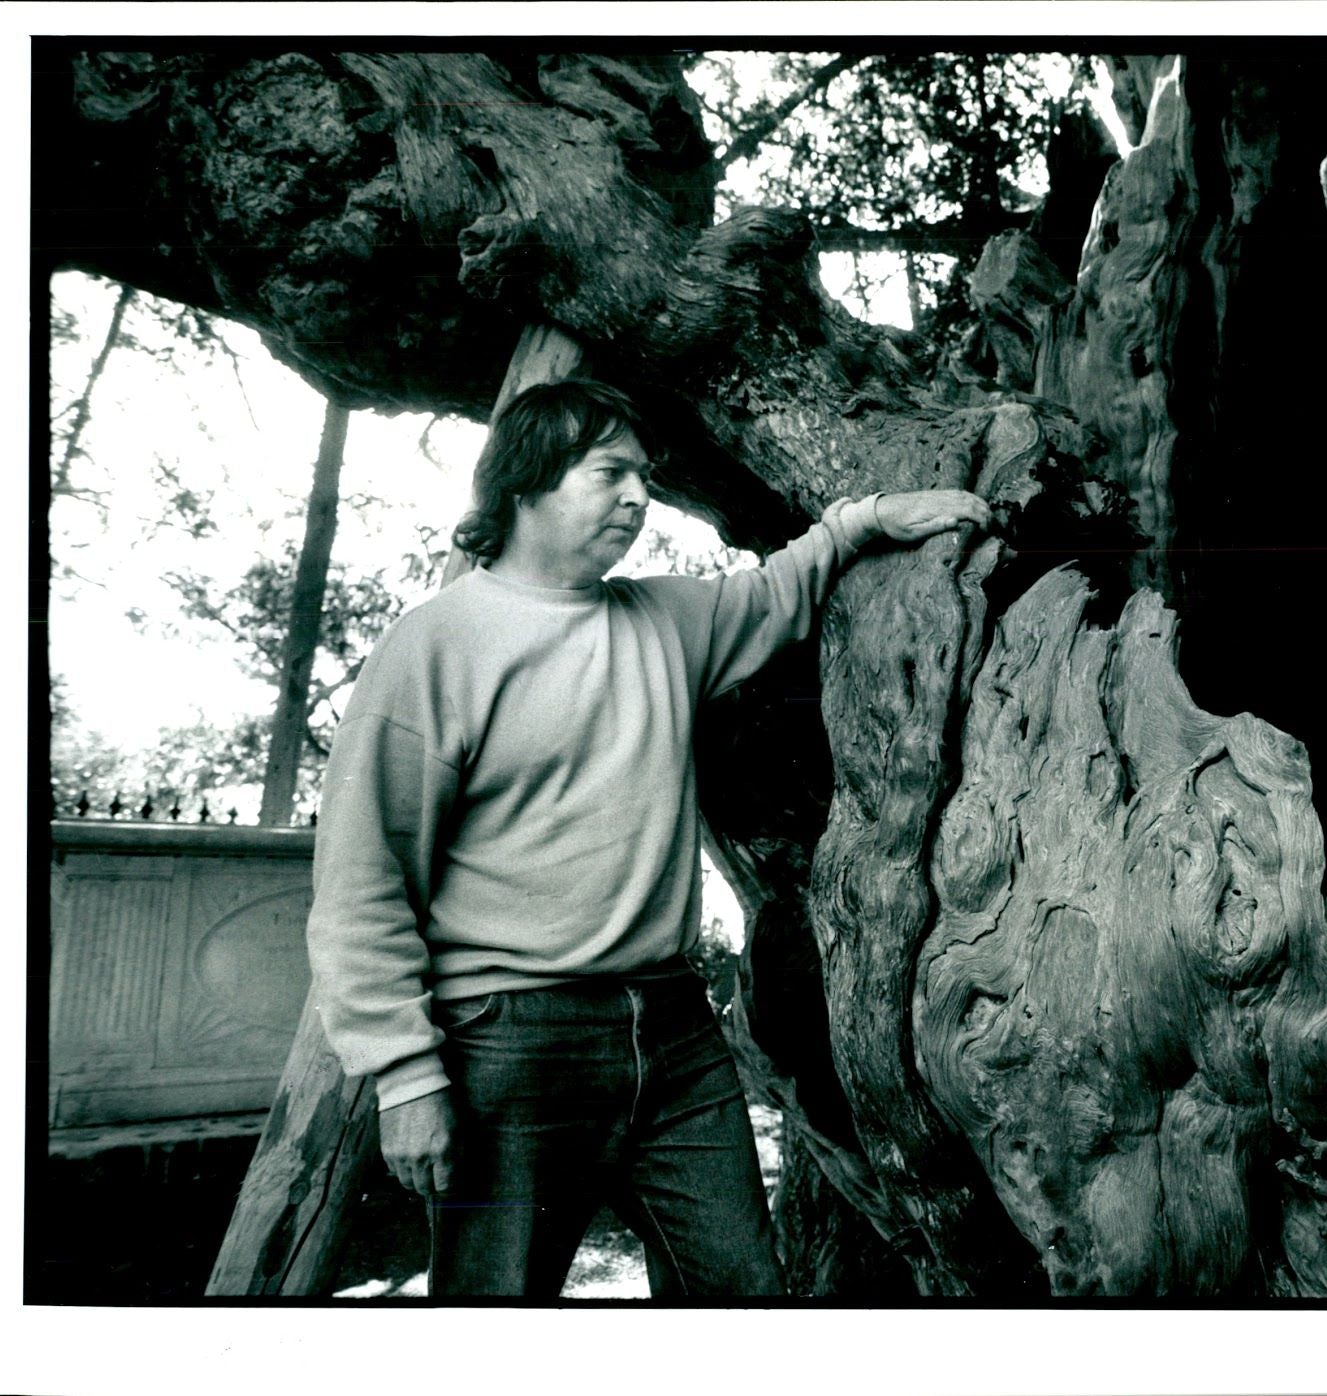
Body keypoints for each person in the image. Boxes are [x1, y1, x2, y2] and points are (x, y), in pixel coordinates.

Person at [305, 377, 989, 1297]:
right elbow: (361, 879)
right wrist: (403, 1076)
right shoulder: (434, 645)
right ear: (526, 483)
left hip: (673, 1033)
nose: (637, 496)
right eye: (609, 473)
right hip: (506, 1041)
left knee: (745, 1297)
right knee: (488, 1319)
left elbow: (775, 590)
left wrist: (864, 518)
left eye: (645, 476)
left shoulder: (663, 619)